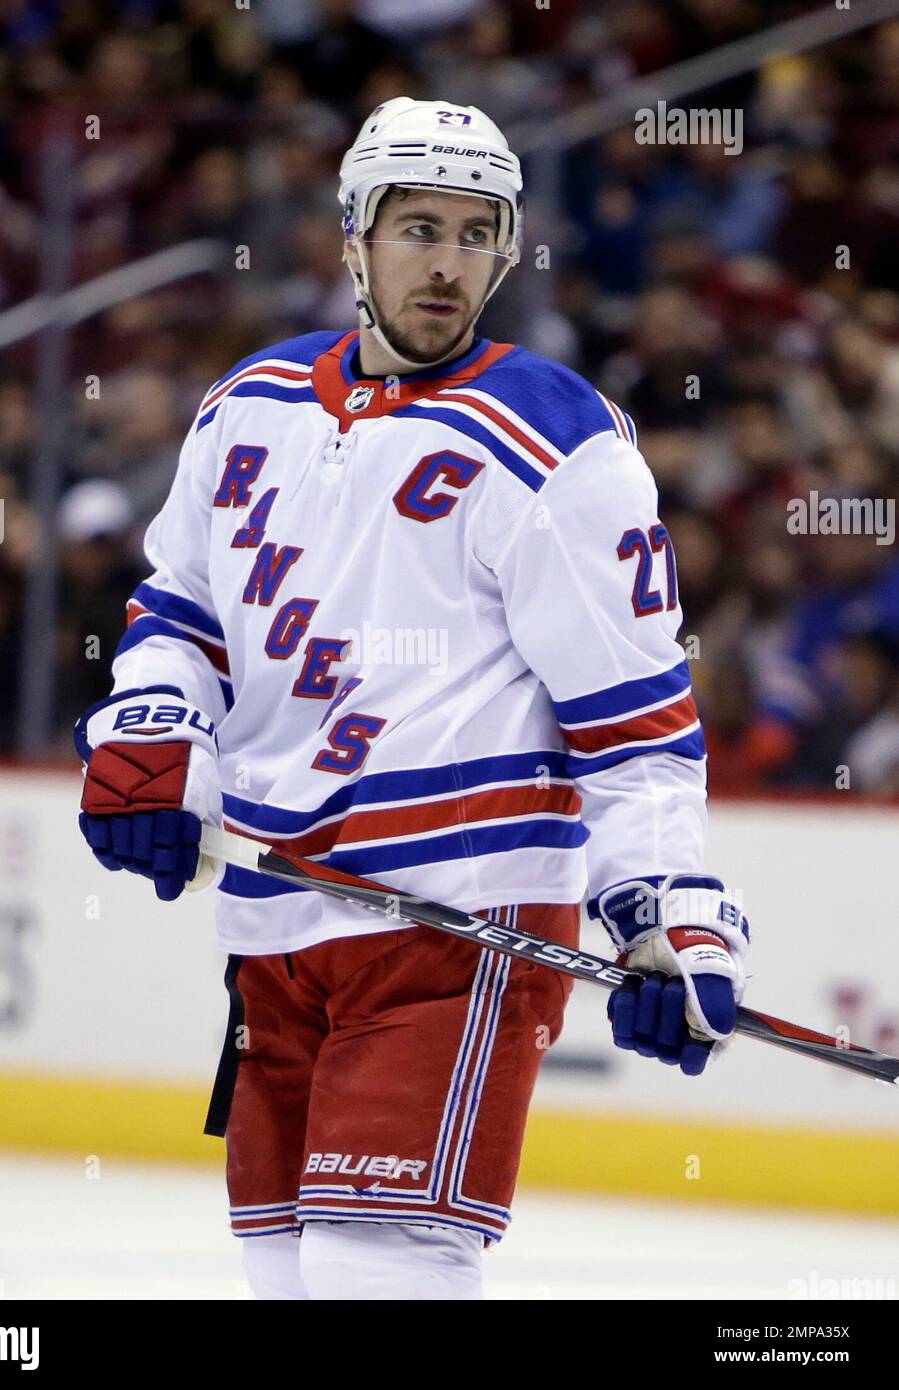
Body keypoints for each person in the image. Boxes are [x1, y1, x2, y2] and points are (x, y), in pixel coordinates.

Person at [74, 99, 750, 1301]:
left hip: (453, 927)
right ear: (353, 236)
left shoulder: (556, 446)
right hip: (274, 925)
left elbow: (638, 729)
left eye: (479, 233)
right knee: (284, 1279)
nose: (448, 262)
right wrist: (155, 728)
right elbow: (181, 611)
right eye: (418, 227)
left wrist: (669, 911)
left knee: (375, 1276)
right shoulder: (251, 405)